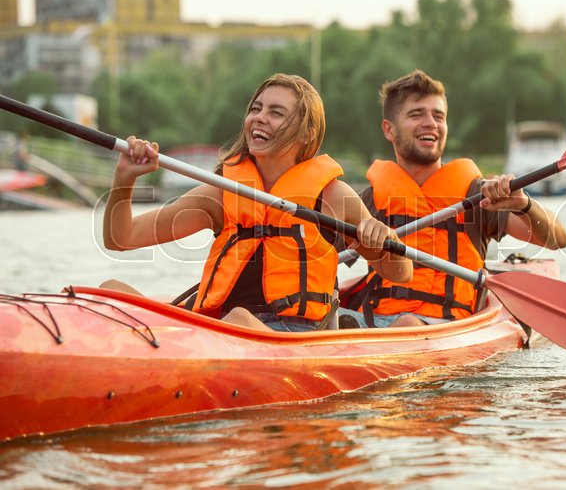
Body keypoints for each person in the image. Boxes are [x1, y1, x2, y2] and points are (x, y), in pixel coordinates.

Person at [101, 73, 412, 332]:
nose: (259, 118)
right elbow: (121, 238)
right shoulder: (221, 193)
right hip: (221, 327)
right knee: (110, 290)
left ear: (306, 134)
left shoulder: (333, 196)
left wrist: (384, 236)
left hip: (292, 336)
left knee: (239, 320)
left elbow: (400, 273)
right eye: (256, 108)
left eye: (276, 113)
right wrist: (124, 178)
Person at [341, 69, 566, 328]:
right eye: (417, 114)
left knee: (408, 324)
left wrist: (524, 205)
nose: (431, 123)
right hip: (373, 321)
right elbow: (315, 255)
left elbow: (556, 240)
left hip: (445, 325)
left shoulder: (478, 196)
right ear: (389, 129)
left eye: (438, 116)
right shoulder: (367, 201)